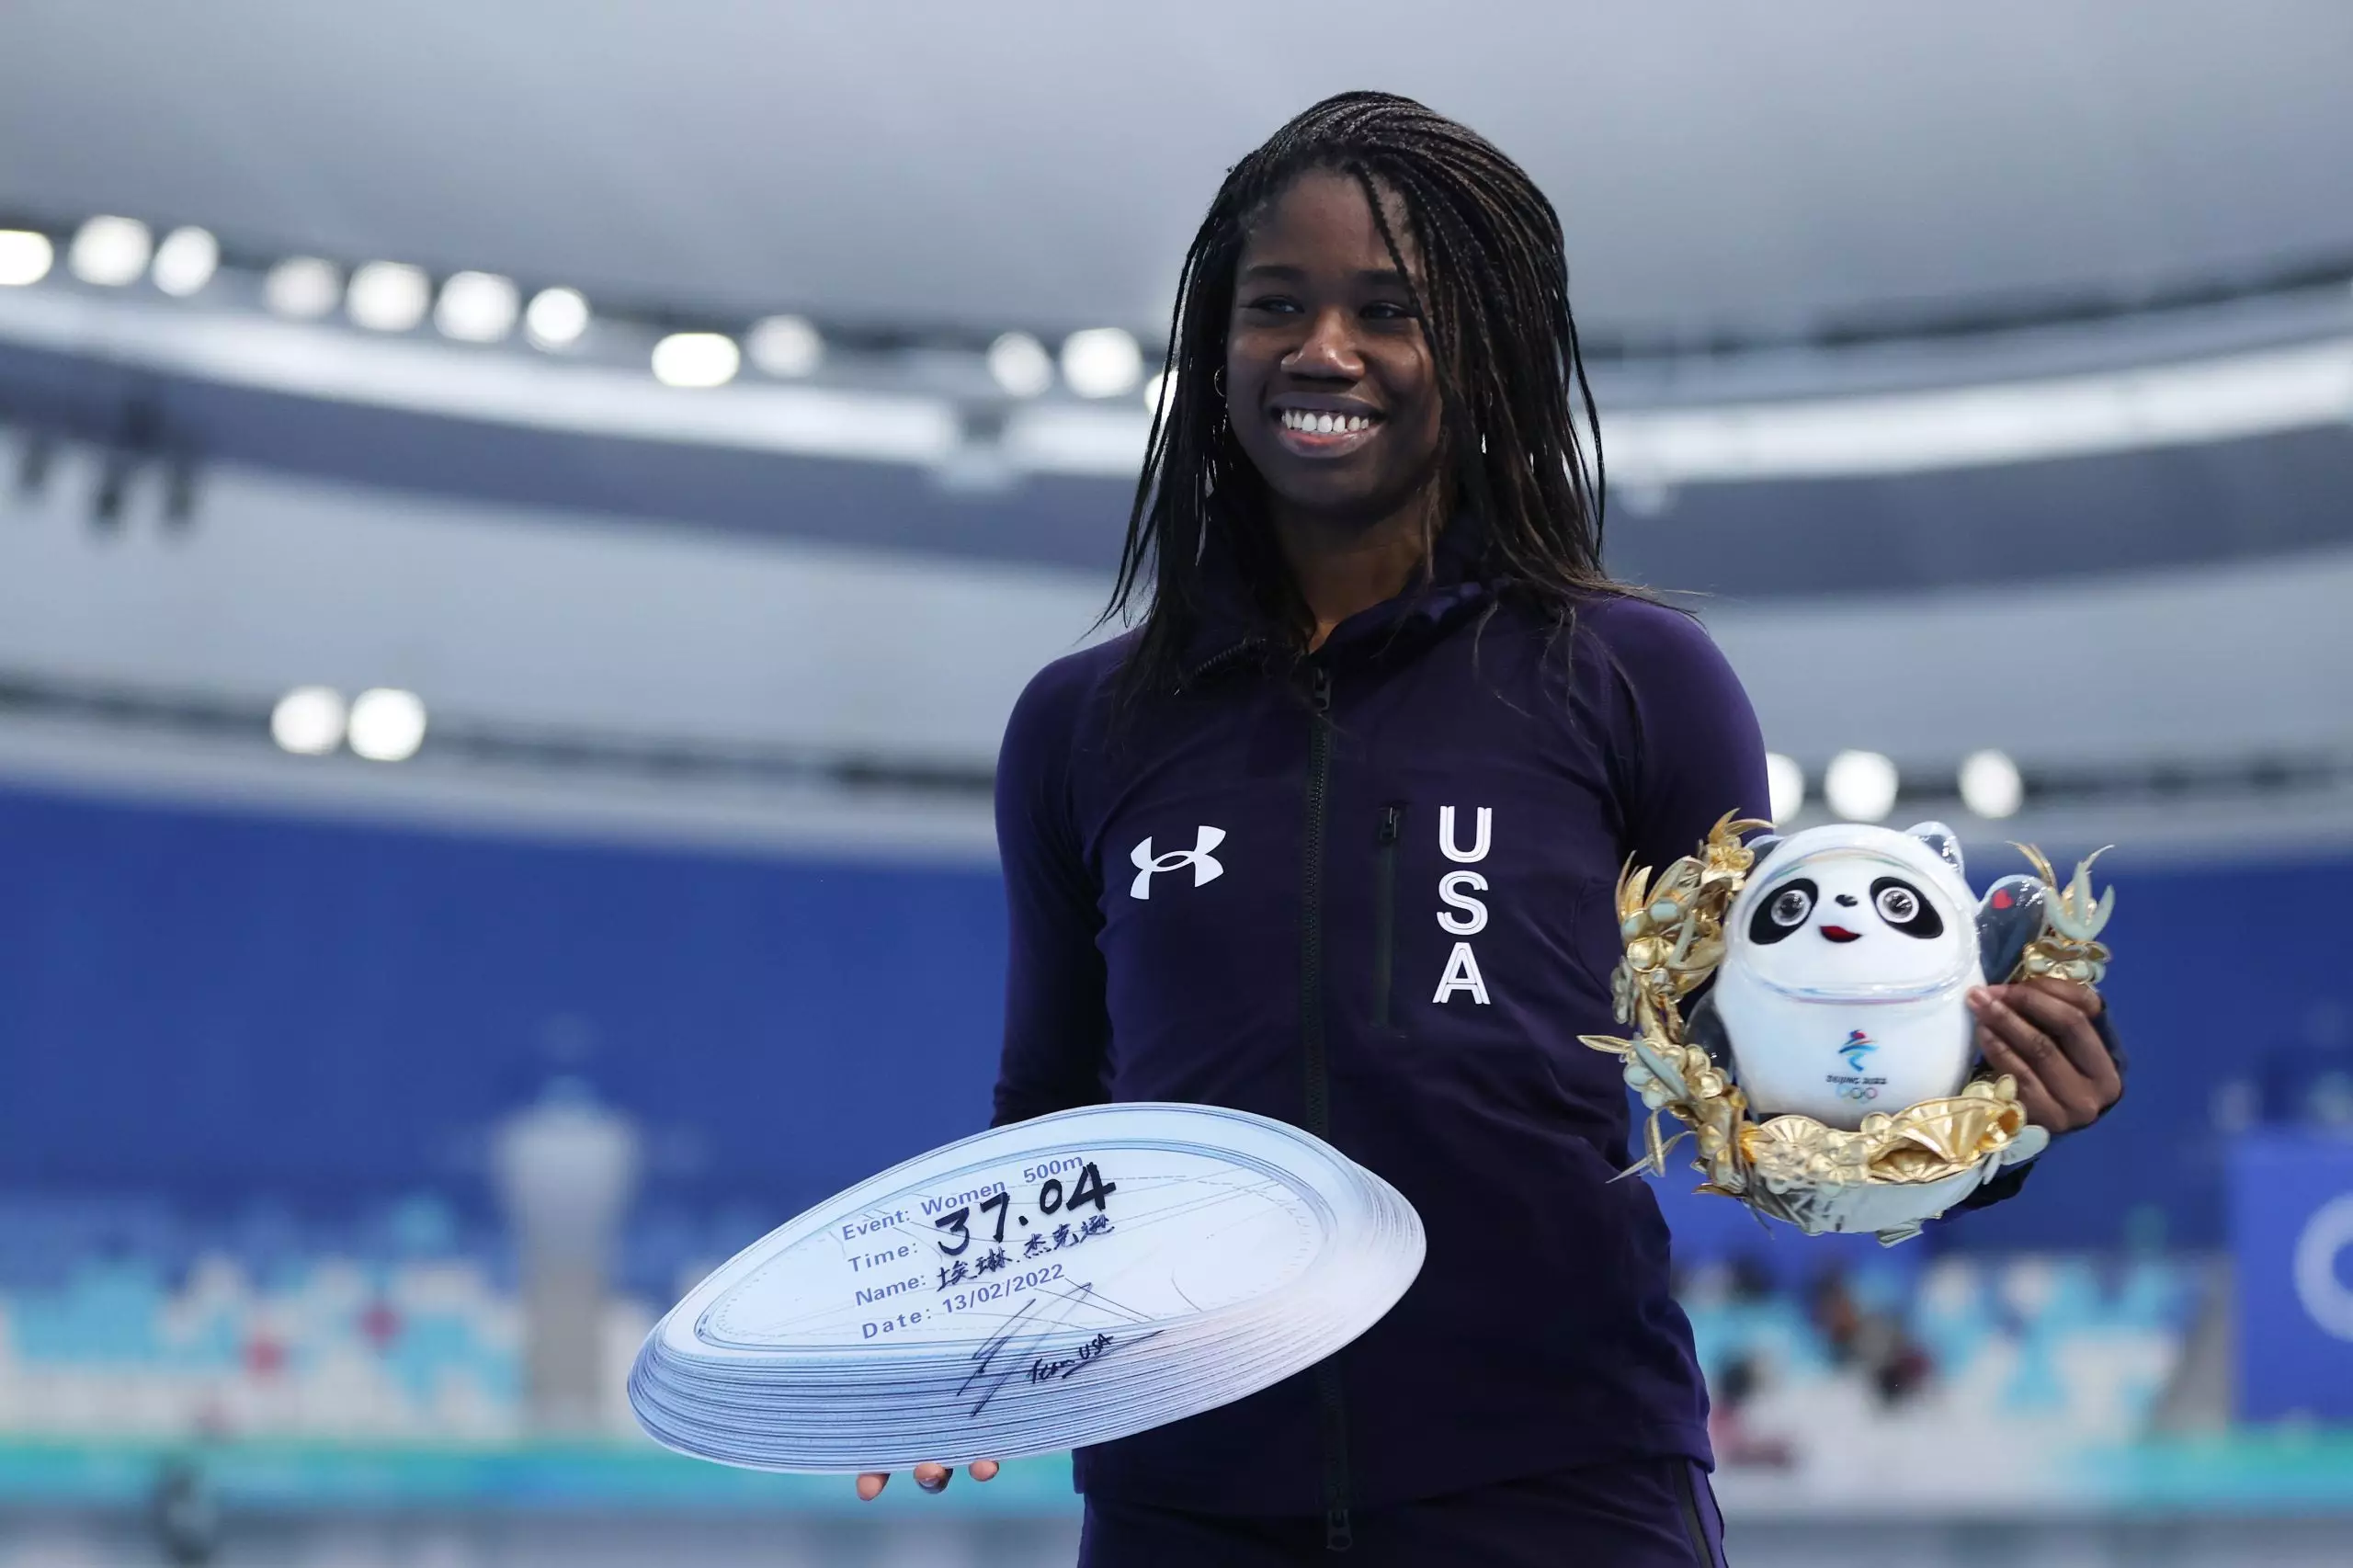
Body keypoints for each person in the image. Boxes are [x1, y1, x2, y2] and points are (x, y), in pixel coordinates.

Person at [857, 90, 2124, 1564]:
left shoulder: (1634, 679)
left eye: (1389, 309)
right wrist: (967, 1341)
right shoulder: (1084, 727)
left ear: (1488, 357)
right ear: (1217, 350)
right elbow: (1055, 1113)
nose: (1324, 349)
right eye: (1279, 304)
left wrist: (1988, 1111)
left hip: (1562, 1489)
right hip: (1182, 1507)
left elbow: (1774, 1096)